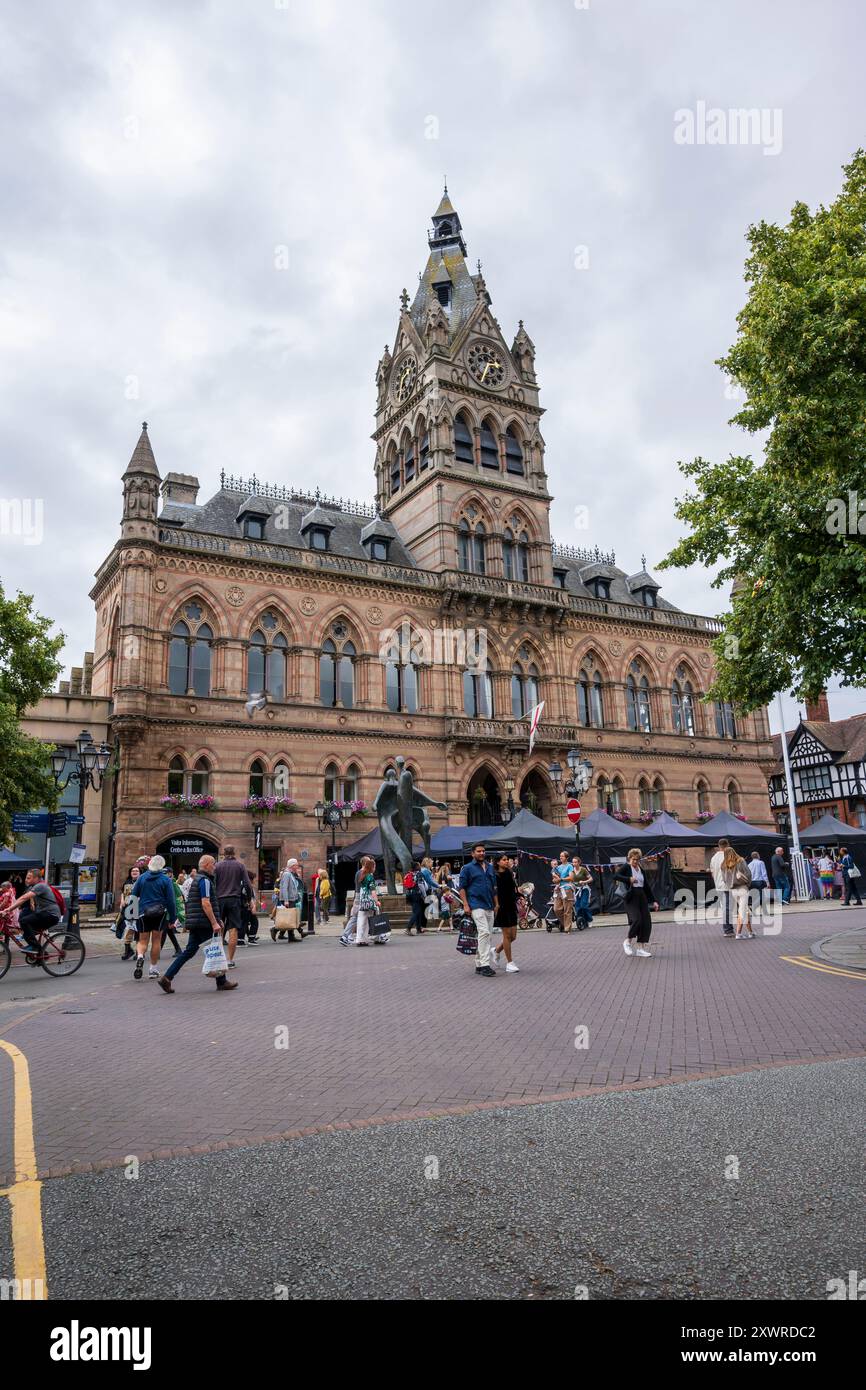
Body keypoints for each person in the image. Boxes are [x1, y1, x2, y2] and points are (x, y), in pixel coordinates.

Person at [157, 854, 238, 994]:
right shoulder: (205, 881)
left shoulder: (198, 879)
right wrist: (214, 922)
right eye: (213, 864)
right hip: (203, 922)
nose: (215, 867)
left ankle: (167, 977)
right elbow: (206, 903)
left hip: (196, 921)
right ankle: (222, 981)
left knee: (189, 951)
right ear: (207, 865)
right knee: (215, 949)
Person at [130, 856, 179, 980]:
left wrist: (133, 914)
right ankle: (153, 968)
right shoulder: (165, 879)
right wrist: (173, 918)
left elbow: (134, 896)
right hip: (160, 913)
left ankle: (140, 956)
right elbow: (171, 901)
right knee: (156, 940)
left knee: (142, 940)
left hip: (143, 913)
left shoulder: (142, 878)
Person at [459, 843, 499, 977]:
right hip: (476, 904)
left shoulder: (490, 867)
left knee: (487, 936)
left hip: (489, 905)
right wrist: (465, 904)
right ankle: (485, 965)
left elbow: (494, 888)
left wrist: (496, 903)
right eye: (479, 851)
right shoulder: (467, 868)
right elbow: (462, 888)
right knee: (484, 932)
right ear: (473, 853)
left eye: (483, 851)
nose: (482, 853)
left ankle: (478, 964)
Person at [214, 845, 254, 967]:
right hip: (234, 899)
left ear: (223, 853)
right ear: (234, 852)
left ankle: (218, 959)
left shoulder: (217, 866)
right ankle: (229, 960)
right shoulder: (240, 866)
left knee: (219, 929)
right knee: (233, 929)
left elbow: (213, 883)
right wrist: (248, 899)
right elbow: (247, 884)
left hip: (219, 900)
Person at [615, 848, 659, 957]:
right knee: (637, 920)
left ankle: (640, 949)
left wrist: (653, 901)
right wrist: (628, 879)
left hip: (641, 896)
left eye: (637, 859)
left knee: (646, 922)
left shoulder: (641, 869)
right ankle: (627, 942)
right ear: (629, 858)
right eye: (633, 859)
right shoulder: (626, 867)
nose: (635, 862)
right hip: (631, 896)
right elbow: (615, 876)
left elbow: (647, 887)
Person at [9, 870, 62, 956]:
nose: (26, 879)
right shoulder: (32, 887)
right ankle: (41, 955)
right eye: (26, 877)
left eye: (29, 878)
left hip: (51, 914)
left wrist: (8, 910)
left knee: (24, 921)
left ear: (36, 878)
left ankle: (35, 947)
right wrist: (10, 910)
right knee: (26, 932)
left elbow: (24, 898)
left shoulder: (41, 886)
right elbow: (20, 900)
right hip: (44, 914)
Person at [492, 853, 519, 973]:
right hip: (501, 907)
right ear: (497, 862)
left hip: (511, 906)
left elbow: (513, 888)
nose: (507, 861)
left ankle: (496, 950)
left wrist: (520, 895)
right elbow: (494, 891)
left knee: (513, 936)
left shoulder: (509, 872)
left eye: (507, 859)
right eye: (504, 860)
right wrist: (496, 904)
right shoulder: (494, 875)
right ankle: (510, 963)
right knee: (507, 935)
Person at [709, 838, 736, 936]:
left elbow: (712, 873)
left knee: (725, 907)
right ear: (727, 845)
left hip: (718, 886)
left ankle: (728, 928)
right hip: (727, 885)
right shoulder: (729, 856)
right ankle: (728, 930)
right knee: (727, 908)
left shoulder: (714, 858)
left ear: (718, 846)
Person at [728, 846, 754, 939]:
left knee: (745, 910)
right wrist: (748, 884)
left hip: (733, 890)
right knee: (743, 911)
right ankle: (738, 933)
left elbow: (725, 879)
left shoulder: (725, 864)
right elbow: (748, 873)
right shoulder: (740, 860)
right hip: (742, 888)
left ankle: (751, 932)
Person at [273, 858, 302, 940]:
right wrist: (286, 900)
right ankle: (275, 930)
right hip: (288, 899)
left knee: (290, 917)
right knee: (289, 917)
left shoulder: (291, 873)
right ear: (292, 866)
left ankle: (290, 936)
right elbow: (284, 888)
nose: (297, 866)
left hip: (291, 898)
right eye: (296, 865)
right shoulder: (287, 874)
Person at [355, 861, 379, 946]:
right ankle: (365, 939)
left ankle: (359, 939)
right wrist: (377, 901)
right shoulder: (370, 877)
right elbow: (373, 891)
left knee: (361, 920)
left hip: (362, 901)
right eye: (374, 866)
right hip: (369, 901)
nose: (375, 868)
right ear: (371, 867)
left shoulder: (362, 875)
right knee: (368, 920)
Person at [161, 868, 185, 955]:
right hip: (163, 910)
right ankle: (178, 949)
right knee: (168, 931)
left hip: (170, 911)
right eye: (163, 873)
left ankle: (158, 950)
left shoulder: (173, 884)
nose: (164, 875)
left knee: (164, 930)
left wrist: (179, 913)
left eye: (166, 873)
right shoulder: (163, 883)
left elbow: (179, 899)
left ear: (170, 874)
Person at [552, 851, 574, 931]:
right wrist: (555, 880)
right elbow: (555, 880)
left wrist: (561, 879)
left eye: (562, 856)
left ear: (567, 858)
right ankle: (565, 924)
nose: (560, 857)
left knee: (567, 910)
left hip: (567, 889)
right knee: (556, 909)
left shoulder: (570, 866)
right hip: (559, 889)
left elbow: (571, 878)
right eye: (560, 856)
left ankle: (567, 928)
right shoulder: (558, 867)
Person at [405, 861, 427, 935]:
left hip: (410, 894)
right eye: (419, 865)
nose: (420, 866)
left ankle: (418, 929)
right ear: (417, 867)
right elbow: (421, 885)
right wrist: (424, 895)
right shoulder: (419, 874)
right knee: (416, 912)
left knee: (419, 911)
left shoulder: (410, 873)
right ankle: (408, 928)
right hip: (417, 894)